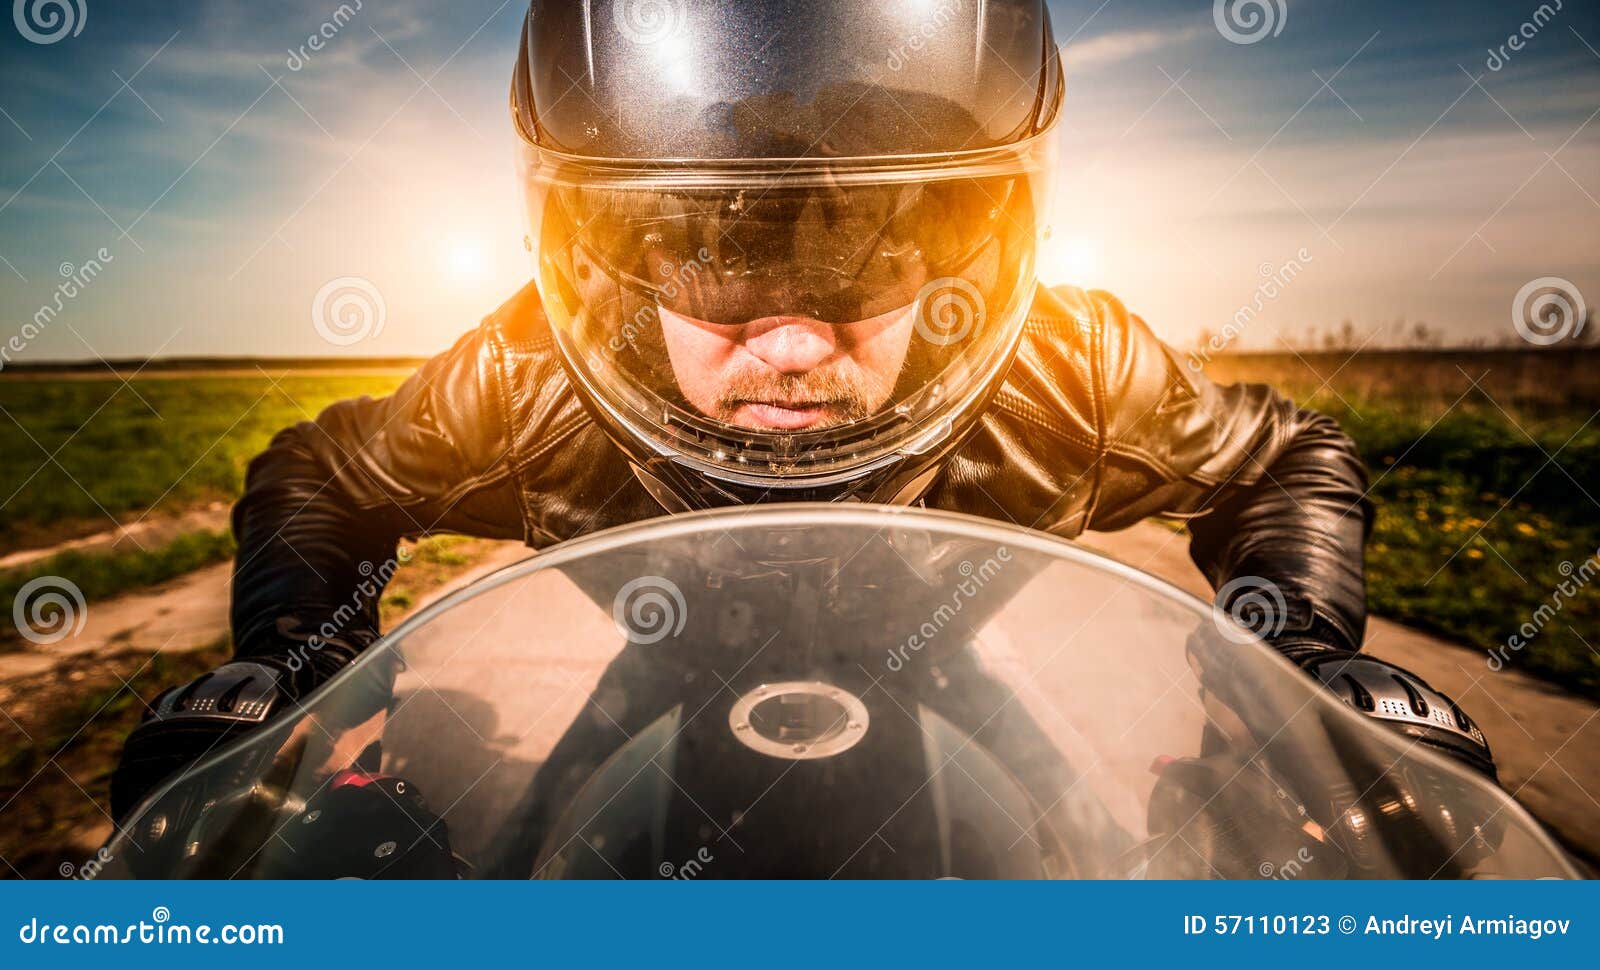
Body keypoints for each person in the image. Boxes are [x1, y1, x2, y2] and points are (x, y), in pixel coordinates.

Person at [110, 0, 1494, 837]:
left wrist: (1298, 675)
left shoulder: (1068, 361)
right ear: (603, 257)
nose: (786, 337)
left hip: (952, 684)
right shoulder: (531, 372)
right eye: (708, 257)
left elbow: (1282, 460)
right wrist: (288, 677)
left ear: (976, 244)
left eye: (868, 254)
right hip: (648, 694)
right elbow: (323, 476)